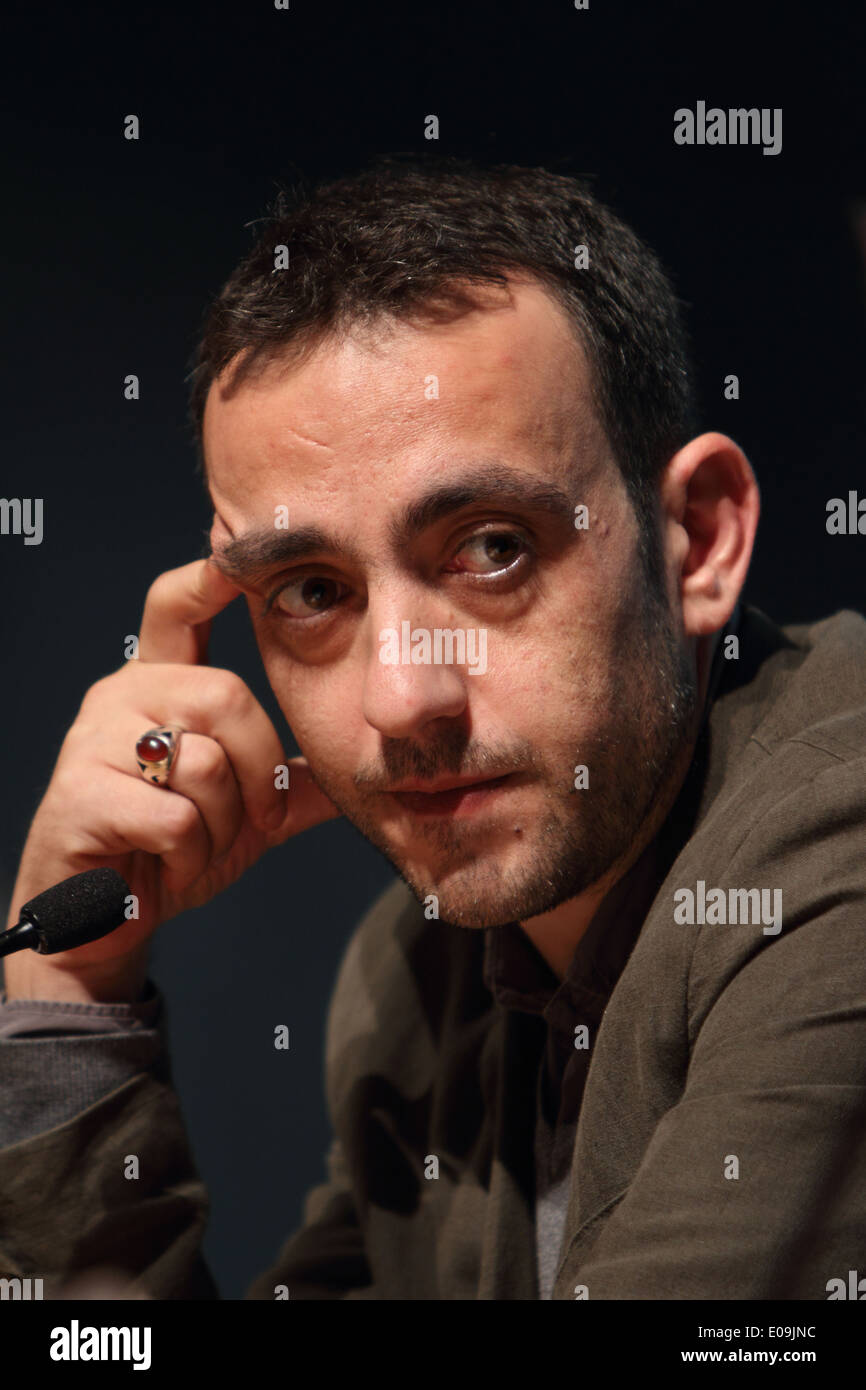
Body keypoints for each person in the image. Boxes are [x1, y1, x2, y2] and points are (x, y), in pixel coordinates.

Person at [1, 156, 865, 1300]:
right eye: (311, 590)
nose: (402, 699)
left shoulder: (838, 856)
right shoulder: (415, 975)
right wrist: (69, 989)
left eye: (491, 547)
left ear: (696, 540)